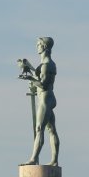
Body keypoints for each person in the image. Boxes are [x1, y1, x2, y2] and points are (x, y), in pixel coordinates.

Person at [17, 36, 59, 166]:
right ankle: (54, 160)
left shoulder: (47, 65)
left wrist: (29, 78)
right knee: (51, 129)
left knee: (39, 128)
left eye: (38, 44)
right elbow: (38, 79)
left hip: (45, 99)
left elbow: (43, 85)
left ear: (44, 46)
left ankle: (34, 158)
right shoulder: (45, 65)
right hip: (46, 98)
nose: (37, 46)